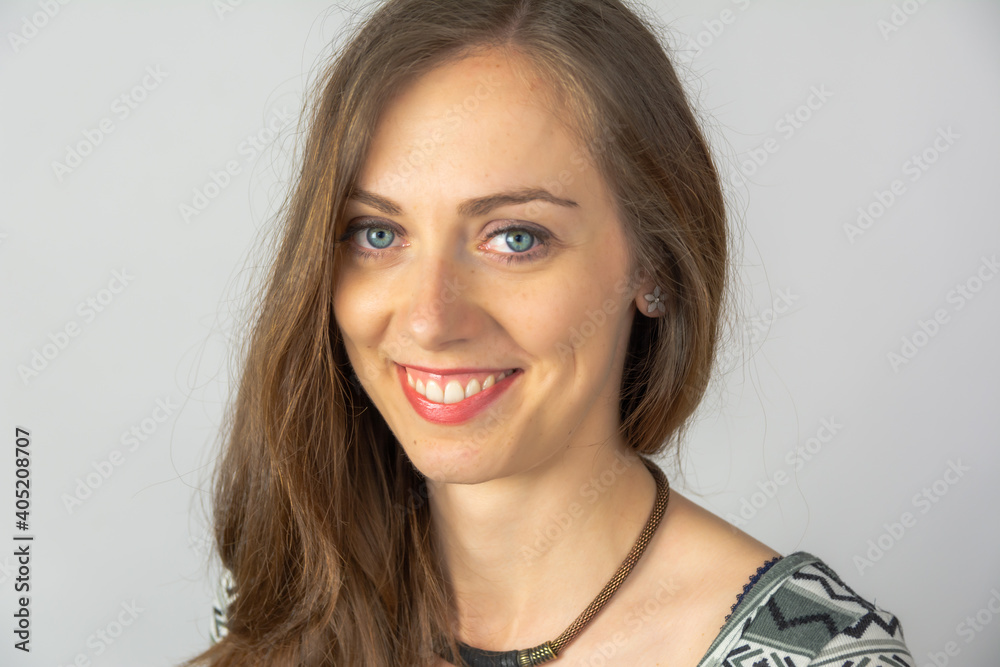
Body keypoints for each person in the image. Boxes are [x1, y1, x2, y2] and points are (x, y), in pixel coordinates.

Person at [186, 0, 914, 665]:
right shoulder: (287, 594)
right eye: (378, 232)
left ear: (654, 267)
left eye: (517, 239)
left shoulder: (821, 656)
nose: (430, 319)